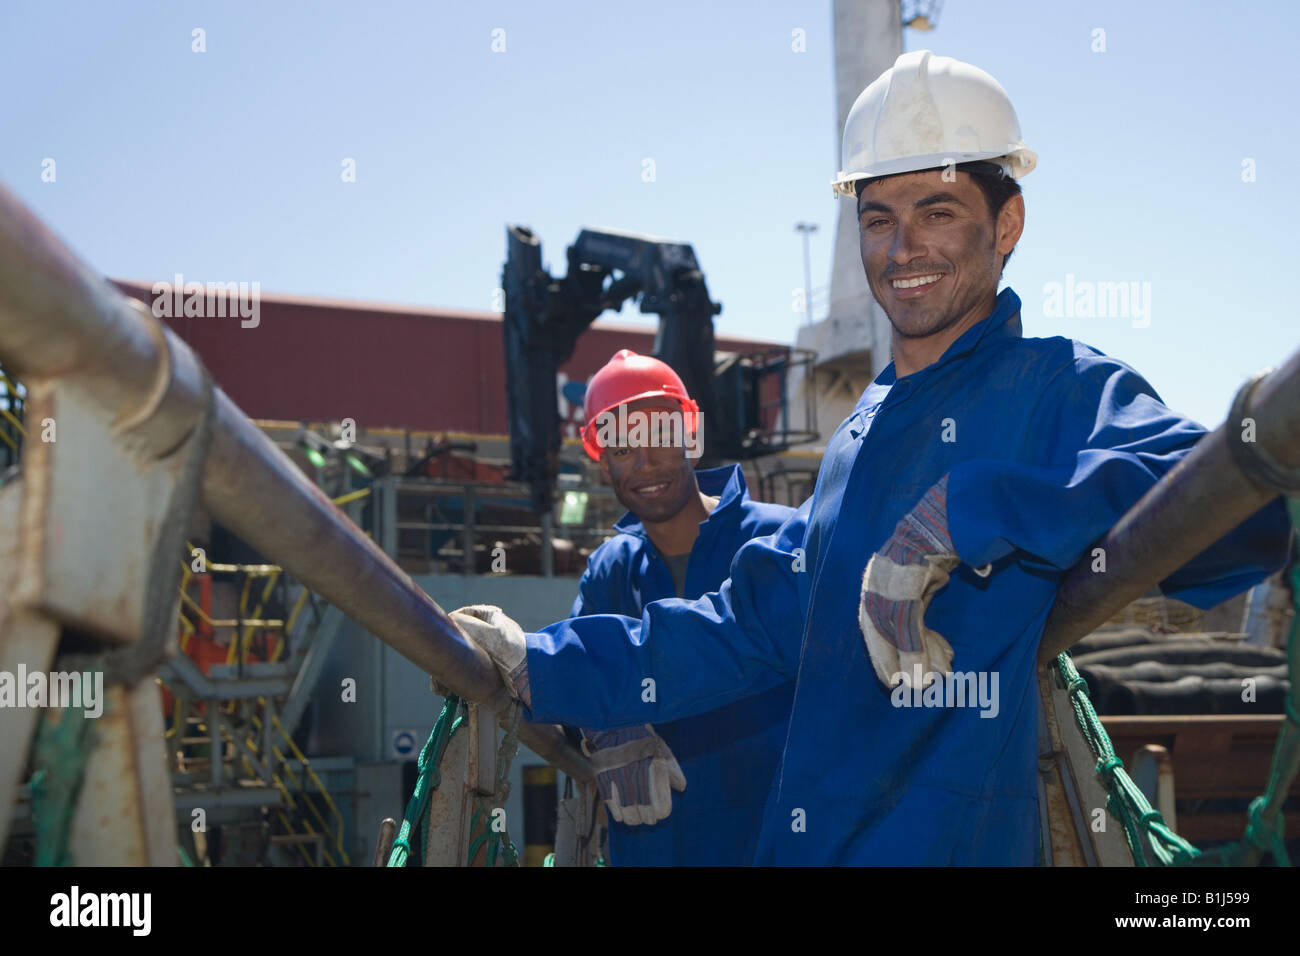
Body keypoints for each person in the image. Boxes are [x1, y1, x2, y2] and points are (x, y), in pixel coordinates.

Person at [451, 50, 1293, 864]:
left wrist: (965, 514)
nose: (903, 250)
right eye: (880, 219)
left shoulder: (1060, 388)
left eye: (939, 211)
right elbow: (750, 623)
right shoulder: (861, 431)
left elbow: (1237, 509)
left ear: (1008, 223)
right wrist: (543, 661)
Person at [557, 349, 795, 865]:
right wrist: (604, 729)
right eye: (623, 449)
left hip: (776, 845)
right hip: (652, 847)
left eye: (659, 440)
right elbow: (576, 678)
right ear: (602, 462)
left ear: (689, 436)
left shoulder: (777, 539)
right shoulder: (611, 572)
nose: (644, 465)